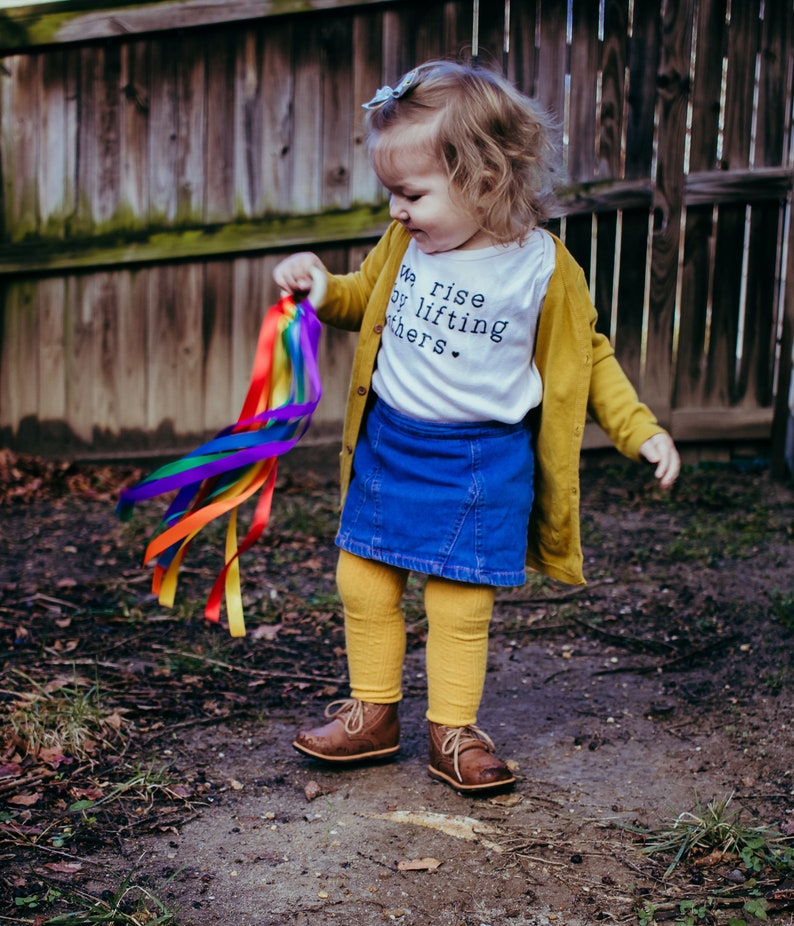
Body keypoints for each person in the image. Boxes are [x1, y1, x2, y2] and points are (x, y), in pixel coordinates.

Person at [273, 59, 680, 794]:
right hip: (392, 444)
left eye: (412, 194)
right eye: (391, 193)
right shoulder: (405, 246)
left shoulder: (539, 268)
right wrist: (321, 287)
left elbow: (588, 358)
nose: (396, 211)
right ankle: (373, 713)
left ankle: (452, 731)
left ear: (485, 180)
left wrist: (638, 428)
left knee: (459, 599)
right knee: (361, 577)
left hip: (479, 462)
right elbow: (362, 297)